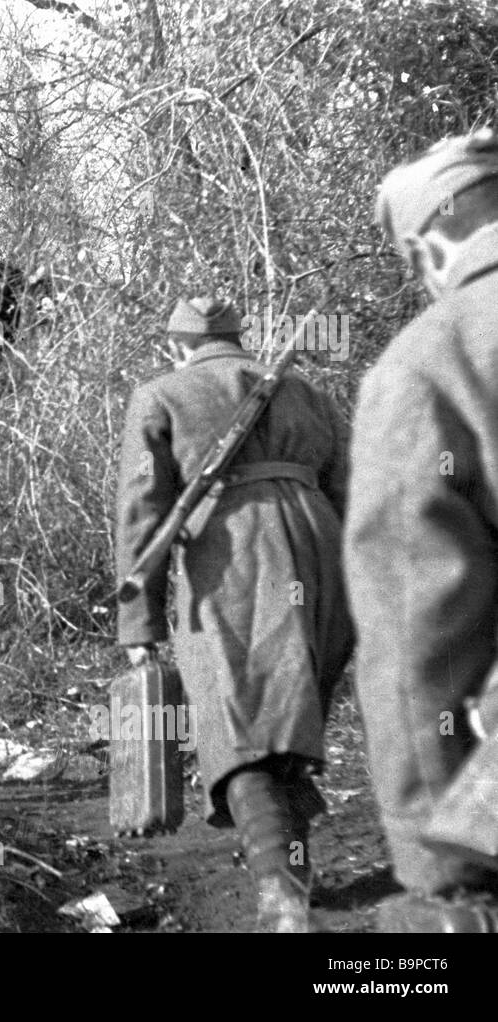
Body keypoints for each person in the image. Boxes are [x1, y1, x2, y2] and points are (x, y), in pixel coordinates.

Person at [113, 297, 353, 932]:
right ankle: (292, 870)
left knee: (236, 726)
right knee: (289, 725)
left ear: (177, 345)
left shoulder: (161, 394)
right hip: (322, 550)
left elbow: (142, 511)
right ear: (236, 339)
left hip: (233, 555)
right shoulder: (306, 389)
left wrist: (139, 628)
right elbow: (349, 487)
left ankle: (281, 897)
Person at [347, 130, 498, 931]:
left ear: (433, 241)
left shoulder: (429, 361)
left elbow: (416, 629)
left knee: (387, 973)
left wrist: (438, 860)